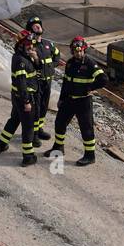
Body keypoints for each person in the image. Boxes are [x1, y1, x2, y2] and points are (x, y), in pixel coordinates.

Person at [45, 36, 106, 165]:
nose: (78, 53)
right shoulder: (70, 63)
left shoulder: (90, 63)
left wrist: (90, 88)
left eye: (80, 51)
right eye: (76, 51)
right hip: (69, 100)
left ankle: (90, 156)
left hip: (83, 102)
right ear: (72, 51)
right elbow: (66, 82)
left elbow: (103, 79)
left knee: (86, 128)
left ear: (84, 50)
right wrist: (61, 99)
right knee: (60, 123)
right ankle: (58, 148)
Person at [0, 30, 41, 167]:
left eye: (32, 45)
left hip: (19, 97)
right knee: (28, 127)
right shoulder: (20, 60)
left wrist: (36, 57)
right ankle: (28, 156)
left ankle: (0, 144)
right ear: (21, 45)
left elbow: (39, 68)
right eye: (28, 45)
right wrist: (26, 102)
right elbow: (21, 83)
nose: (31, 48)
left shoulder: (27, 56)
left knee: (14, 120)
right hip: (24, 98)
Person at [26, 15, 59, 142]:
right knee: (37, 107)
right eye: (34, 25)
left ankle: (39, 129)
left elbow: (57, 56)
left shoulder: (48, 44)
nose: (38, 25)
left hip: (48, 81)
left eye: (39, 24)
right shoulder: (30, 46)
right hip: (37, 82)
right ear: (31, 30)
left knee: (44, 106)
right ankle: (33, 134)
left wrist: (51, 66)